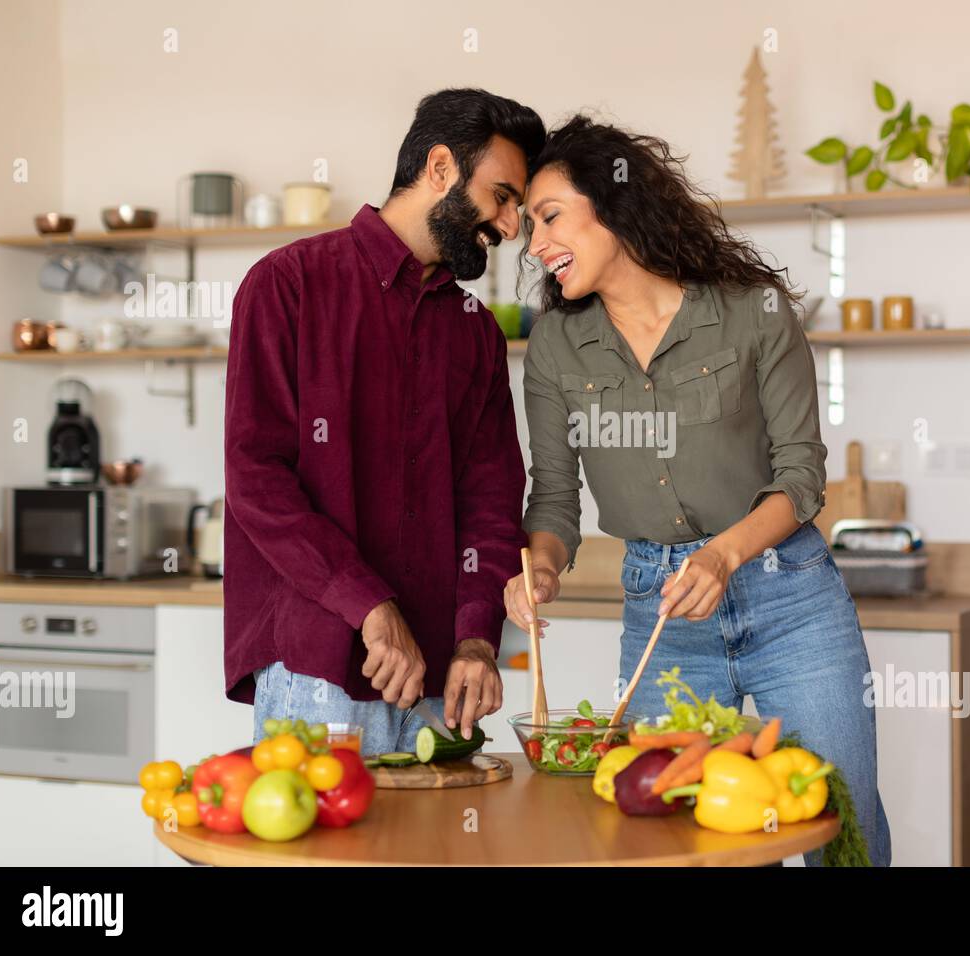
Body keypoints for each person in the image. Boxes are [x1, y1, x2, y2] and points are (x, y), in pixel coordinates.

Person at [503, 115, 892, 866]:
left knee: (841, 829)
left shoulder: (753, 310)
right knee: (667, 840)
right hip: (661, 608)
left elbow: (802, 475)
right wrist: (541, 563)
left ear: (613, 204)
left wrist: (723, 557)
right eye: (527, 228)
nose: (536, 244)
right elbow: (553, 496)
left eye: (549, 216)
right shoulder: (555, 343)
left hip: (791, 600)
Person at [224, 89, 544, 754]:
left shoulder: (474, 332)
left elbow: (490, 500)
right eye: (503, 197)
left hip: (442, 687)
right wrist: (369, 605)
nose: (512, 227)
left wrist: (478, 640)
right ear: (439, 168)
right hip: (320, 672)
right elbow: (257, 479)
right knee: (318, 859)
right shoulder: (286, 285)